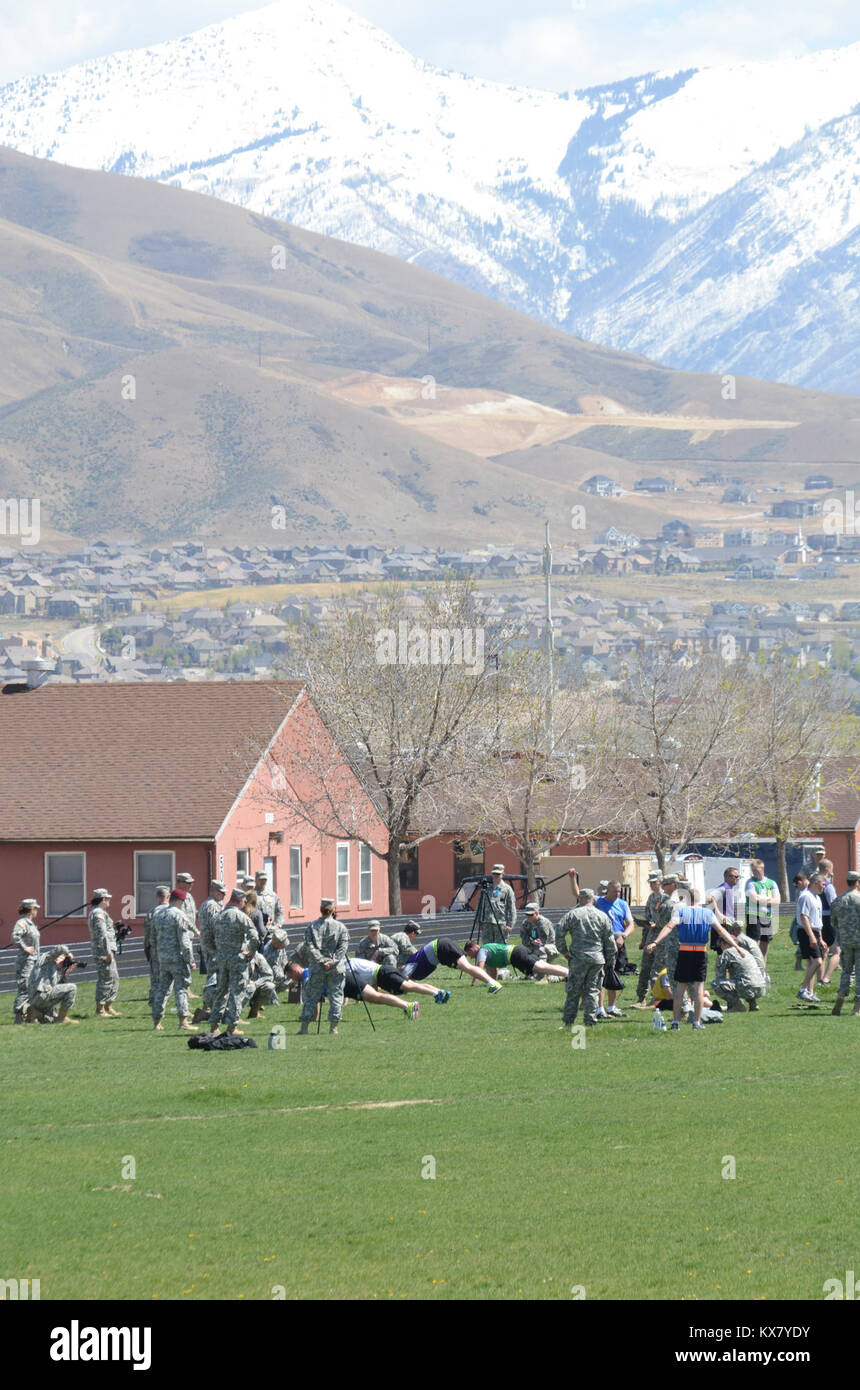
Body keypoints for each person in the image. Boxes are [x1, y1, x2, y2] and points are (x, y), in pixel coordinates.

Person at [650, 884, 740, 1029]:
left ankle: (675, 1022)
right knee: (698, 989)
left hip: (684, 951)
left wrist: (655, 942)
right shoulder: (707, 913)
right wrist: (736, 947)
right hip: (700, 953)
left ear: (685, 899)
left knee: (680, 988)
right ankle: (696, 1022)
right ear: (700, 899)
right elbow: (722, 931)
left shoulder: (680, 912)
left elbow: (668, 927)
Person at [556, 888, 616, 1028]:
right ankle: (590, 1021)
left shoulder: (572, 915)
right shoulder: (602, 916)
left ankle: (568, 1021)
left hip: (578, 958)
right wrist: (611, 959)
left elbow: (559, 932)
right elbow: (610, 941)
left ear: (580, 899)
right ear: (593, 899)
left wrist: (564, 951)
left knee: (573, 990)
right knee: (593, 990)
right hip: (597, 958)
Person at [209, 887, 258, 1036]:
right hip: (237, 958)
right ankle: (232, 1026)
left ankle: (214, 1026)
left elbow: (207, 937)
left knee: (221, 991)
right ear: (241, 901)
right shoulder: (240, 916)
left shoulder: (218, 916)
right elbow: (255, 936)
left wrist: (215, 951)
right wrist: (251, 952)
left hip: (222, 959)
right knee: (237, 992)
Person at [297, 898, 350, 1036]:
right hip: (335, 967)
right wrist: (331, 962)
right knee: (336, 996)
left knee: (311, 996)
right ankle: (333, 1028)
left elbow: (309, 945)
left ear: (321, 909)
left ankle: (304, 1028)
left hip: (317, 967)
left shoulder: (312, 926)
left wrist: (321, 960)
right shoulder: (341, 927)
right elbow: (343, 948)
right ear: (333, 910)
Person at [152, 888, 198, 1032]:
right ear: (180, 901)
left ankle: (157, 1021)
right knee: (181, 989)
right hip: (177, 958)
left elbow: (153, 938)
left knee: (162, 989)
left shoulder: (158, 914)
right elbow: (184, 942)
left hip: (163, 957)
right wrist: (190, 960)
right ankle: (183, 1021)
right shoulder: (178, 915)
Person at [400, 936, 503, 993]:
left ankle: (493, 983)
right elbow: (410, 985)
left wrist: (395, 987)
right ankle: (493, 983)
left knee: (467, 967)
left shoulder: (409, 965)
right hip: (441, 948)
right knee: (467, 967)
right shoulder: (413, 967)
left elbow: (403, 981)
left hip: (440, 948)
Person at [595, 881, 635, 1017]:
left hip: (618, 941)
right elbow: (577, 894)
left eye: (619, 891)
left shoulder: (623, 904)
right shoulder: (598, 901)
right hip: (603, 941)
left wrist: (623, 936)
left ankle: (611, 1007)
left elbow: (631, 924)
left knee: (614, 974)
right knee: (601, 974)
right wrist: (572, 878)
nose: (617, 894)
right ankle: (600, 1009)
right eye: (615, 891)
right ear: (608, 890)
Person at [342, 956, 421, 1021]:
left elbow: (354, 982)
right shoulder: (352, 961)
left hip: (381, 973)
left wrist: (345, 1002)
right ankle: (408, 1006)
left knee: (377, 997)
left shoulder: (348, 966)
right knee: (376, 997)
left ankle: (408, 1005)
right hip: (380, 972)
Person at [712, 923, 768, 1012]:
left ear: (725, 943)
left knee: (716, 983)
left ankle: (737, 1005)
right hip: (761, 987)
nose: (720, 946)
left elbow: (720, 975)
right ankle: (753, 1003)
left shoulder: (727, 953)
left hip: (747, 988)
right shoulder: (745, 951)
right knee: (743, 977)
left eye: (720, 943)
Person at [464, 938, 568, 982]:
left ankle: (569, 973)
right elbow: (493, 971)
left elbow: (479, 969)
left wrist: (474, 983)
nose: (471, 957)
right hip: (518, 951)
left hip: (516, 955)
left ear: (472, 949)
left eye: (470, 954)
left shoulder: (482, 951)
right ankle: (567, 973)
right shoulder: (487, 952)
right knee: (543, 967)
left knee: (542, 968)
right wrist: (492, 983)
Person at [830, 870, 860, 1017]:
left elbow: (833, 923)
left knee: (846, 971)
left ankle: (840, 998)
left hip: (845, 941)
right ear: (857, 882)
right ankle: (857, 1007)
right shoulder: (859, 899)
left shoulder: (838, 900)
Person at [743, 859, 780, 974]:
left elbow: (778, 900)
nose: (754, 872)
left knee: (765, 942)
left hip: (766, 916)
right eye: (753, 870)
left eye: (756, 870)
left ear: (762, 868)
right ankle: (753, 970)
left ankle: (762, 970)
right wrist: (769, 900)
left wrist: (763, 900)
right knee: (754, 943)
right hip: (754, 915)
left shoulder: (771, 883)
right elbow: (754, 899)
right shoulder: (750, 883)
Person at [27, 945, 80, 1024]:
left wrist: (65, 973)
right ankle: (61, 1019)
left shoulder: (54, 970)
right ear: (57, 956)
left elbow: (58, 989)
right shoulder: (47, 959)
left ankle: (35, 1013)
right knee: (72, 988)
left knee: (49, 1021)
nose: (63, 963)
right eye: (62, 959)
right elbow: (61, 948)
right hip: (40, 995)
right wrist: (67, 953)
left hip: (38, 998)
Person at [89, 888, 120, 1019]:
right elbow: (102, 934)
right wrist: (107, 952)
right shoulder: (98, 913)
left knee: (114, 978)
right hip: (103, 951)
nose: (109, 902)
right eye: (107, 899)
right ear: (102, 899)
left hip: (107, 949)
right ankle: (100, 1009)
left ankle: (108, 1005)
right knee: (106, 979)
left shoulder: (101, 913)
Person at [794, 872, 825, 1004]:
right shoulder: (805, 896)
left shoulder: (816, 897)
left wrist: (821, 938)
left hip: (815, 931)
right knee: (818, 962)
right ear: (815, 883)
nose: (824, 887)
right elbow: (804, 917)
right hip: (807, 932)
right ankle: (802, 989)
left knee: (811, 963)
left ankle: (810, 993)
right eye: (823, 884)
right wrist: (812, 937)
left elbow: (818, 920)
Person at [636, 873, 665, 1004]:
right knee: (645, 968)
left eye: (655, 882)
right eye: (651, 883)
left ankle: (656, 998)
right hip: (650, 936)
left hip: (662, 938)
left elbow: (670, 921)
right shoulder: (651, 898)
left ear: (661, 882)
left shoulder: (667, 898)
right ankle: (641, 997)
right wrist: (643, 939)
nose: (652, 885)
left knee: (657, 969)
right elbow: (648, 918)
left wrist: (657, 924)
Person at [11, 898, 40, 1024]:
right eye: (36, 909)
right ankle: (19, 1017)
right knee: (25, 987)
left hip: (33, 960)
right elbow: (15, 936)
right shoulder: (22, 922)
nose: (37, 912)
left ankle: (29, 1016)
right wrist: (25, 947)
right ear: (31, 909)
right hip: (26, 962)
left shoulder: (30, 924)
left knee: (32, 987)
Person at [143, 886, 170, 1012]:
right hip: (169, 949)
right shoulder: (173, 911)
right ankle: (161, 1004)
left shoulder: (151, 912)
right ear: (168, 896)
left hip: (154, 948)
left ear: (157, 897)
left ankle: (153, 1001)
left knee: (155, 977)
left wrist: (147, 949)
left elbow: (147, 934)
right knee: (168, 978)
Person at [474, 864, 515, 943]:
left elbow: (511, 908)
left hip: (501, 923)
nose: (496, 876)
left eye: (498, 874)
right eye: (494, 874)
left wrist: (510, 924)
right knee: (487, 947)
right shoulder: (486, 888)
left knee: (500, 948)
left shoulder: (507, 889)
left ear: (503, 874)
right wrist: (478, 921)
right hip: (487, 923)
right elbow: (480, 906)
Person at [816, 861, 840, 986]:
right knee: (837, 950)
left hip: (817, 918)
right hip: (828, 918)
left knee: (822, 950)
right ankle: (826, 978)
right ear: (827, 869)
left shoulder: (813, 882)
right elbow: (833, 904)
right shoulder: (828, 885)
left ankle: (819, 979)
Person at [197, 879, 226, 977]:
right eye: (221, 892)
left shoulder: (205, 903)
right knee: (216, 973)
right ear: (213, 891)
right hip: (212, 943)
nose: (223, 895)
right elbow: (216, 925)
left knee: (212, 972)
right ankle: (213, 991)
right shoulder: (213, 905)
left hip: (207, 942)